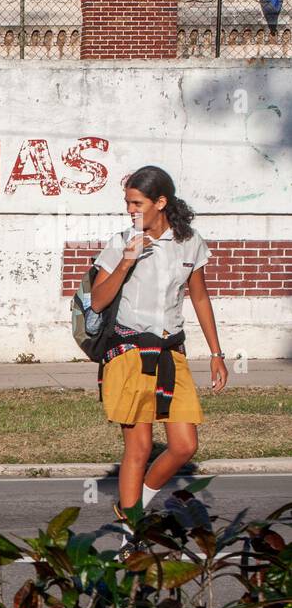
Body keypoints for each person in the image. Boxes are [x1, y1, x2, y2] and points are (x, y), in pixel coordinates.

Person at [89, 166, 227, 550]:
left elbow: (199, 297)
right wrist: (127, 261)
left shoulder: (189, 243)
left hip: (171, 352)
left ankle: (132, 509)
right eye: (128, 203)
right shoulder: (121, 242)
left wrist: (216, 353)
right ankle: (129, 537)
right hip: (130, 352)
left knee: (184, 444)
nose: (131, 211)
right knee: (140, 447)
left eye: (138, 203)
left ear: (160, 203)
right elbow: (98, 301)